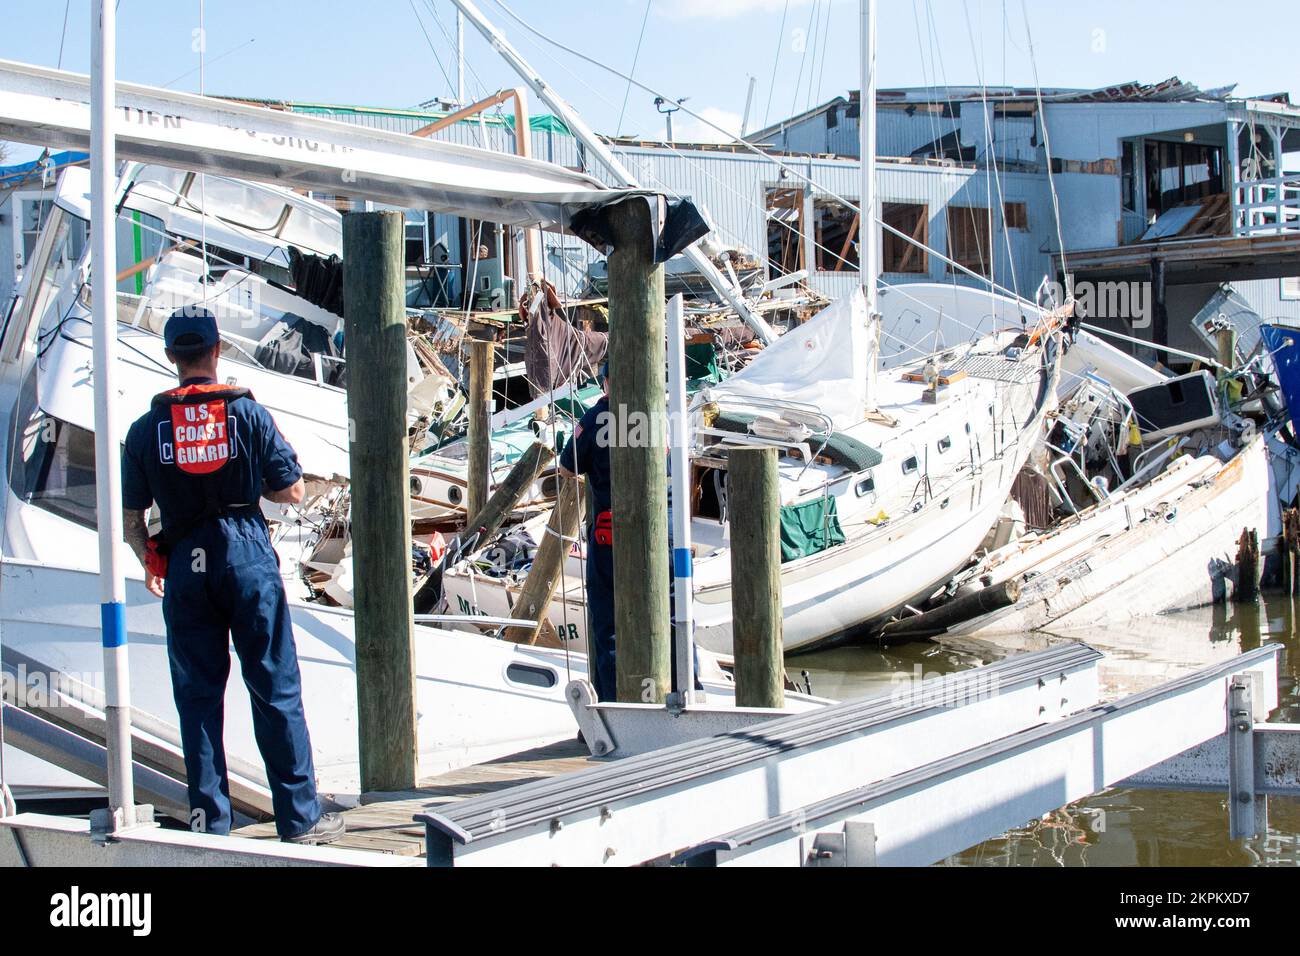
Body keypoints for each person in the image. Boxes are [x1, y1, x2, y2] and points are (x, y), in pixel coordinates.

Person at [120, 307, 343, 845]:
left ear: (172, 357)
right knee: (273, 685)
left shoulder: (146, 429)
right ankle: (299, 817)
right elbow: (288, 490)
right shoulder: (246, 413)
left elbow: (131, 518)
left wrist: (150, 559)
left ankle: (208, 824)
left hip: (186, 563)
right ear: (217, 351)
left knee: (197, 699)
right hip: (246, 554)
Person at [558, 362, 615, 701]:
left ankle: (611, 705)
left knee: (608, 625)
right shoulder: (659, 415)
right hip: (661, 537)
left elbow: (567, 467)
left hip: (611, 536)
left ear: (606, 382)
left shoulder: (598, 418)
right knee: (670, 619)